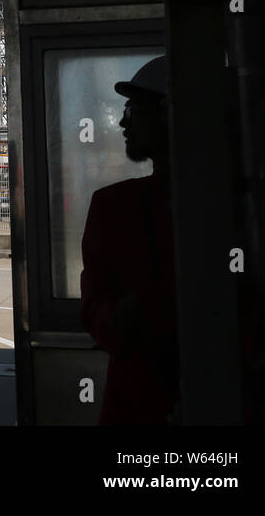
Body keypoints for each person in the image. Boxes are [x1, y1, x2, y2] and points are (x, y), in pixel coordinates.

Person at [80, 56, 179, 424]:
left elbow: (97, 311)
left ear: (171, 113)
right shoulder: (112, 206)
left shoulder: (116, 208)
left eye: (134, 108)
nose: (123, 120)